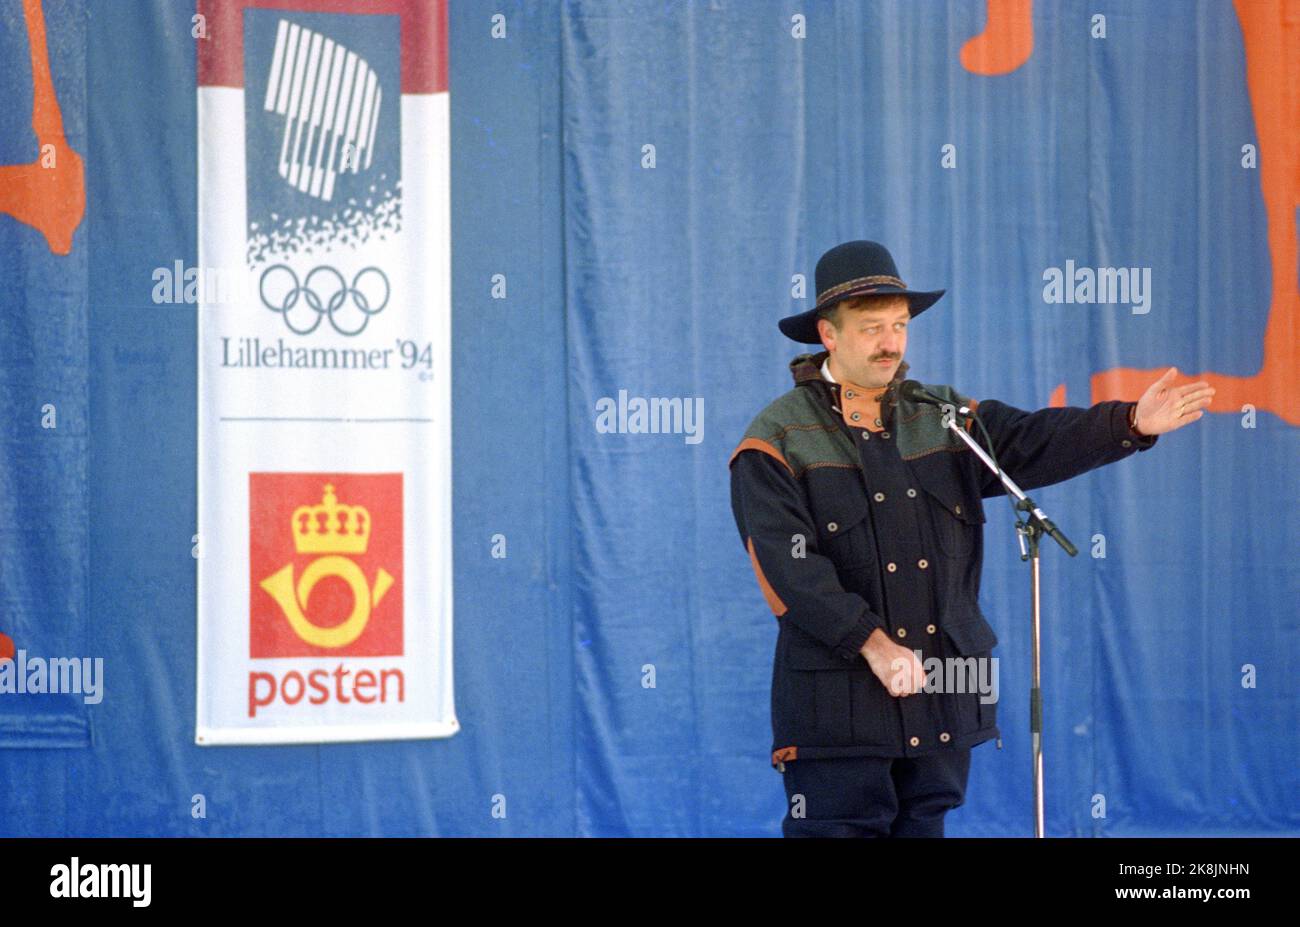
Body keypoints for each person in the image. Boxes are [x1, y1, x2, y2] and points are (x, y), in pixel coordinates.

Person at [728, 240, 1214, 837]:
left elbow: (1033, 439)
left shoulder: (945, 417)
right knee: (839, 828)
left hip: (940, 687)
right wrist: (873, 644)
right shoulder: (775, 438)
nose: (891, 342)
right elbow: (789, 570)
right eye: (872, 328)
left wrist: (1130, 423)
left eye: (900, 325)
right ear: (828, 334)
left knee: (926, 824)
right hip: (840, 700)